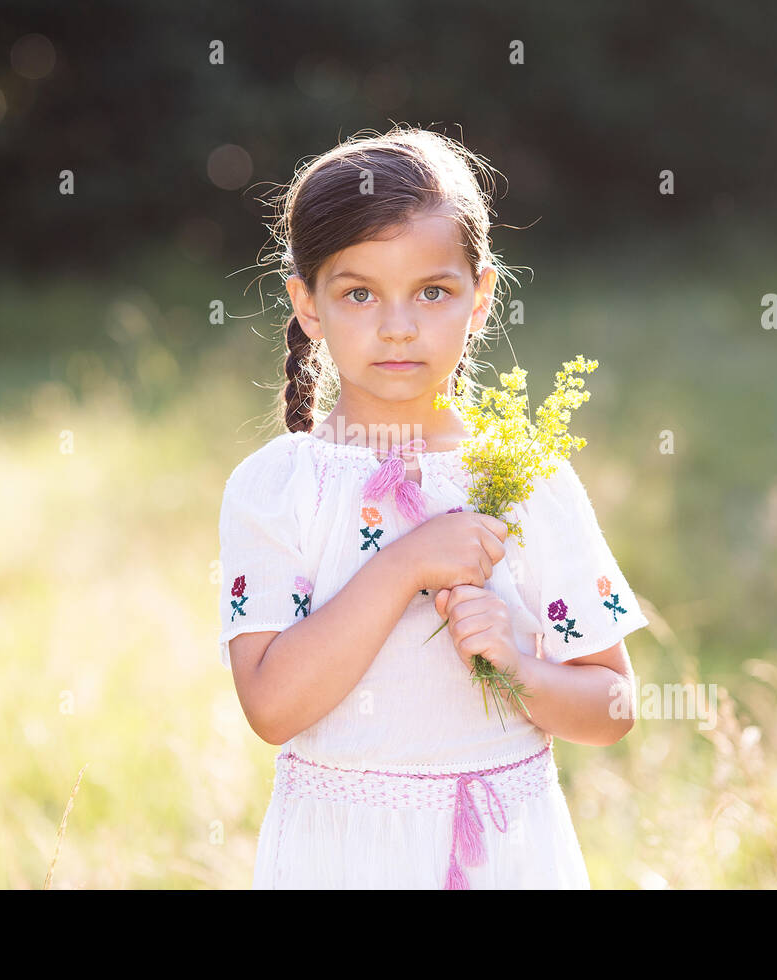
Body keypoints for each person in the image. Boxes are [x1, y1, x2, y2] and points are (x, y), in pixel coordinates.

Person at [217, 124, 649, 888]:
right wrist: (407, 563)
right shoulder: (276, 486)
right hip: (341, 856)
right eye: (358, 294)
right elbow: (273, 707)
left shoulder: (527, 482)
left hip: (505, 853)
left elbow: (612, 705)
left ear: (480, 297)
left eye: (432, 291)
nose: (398, 325)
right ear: (308, 306)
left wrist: (519, 665)